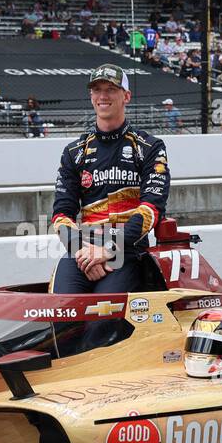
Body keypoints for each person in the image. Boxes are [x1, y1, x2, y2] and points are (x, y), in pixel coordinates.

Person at [51, 63, 169, 294]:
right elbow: (61, 214)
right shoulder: (74, 151)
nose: (103, 96)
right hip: (82, 251)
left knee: (103, 317)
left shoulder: (150, 147)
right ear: (91, 96)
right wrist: (83, 252)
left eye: (111, 89)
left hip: (129, 251)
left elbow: (152, 209)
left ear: (126, 96)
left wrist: (108, 248)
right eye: (97, 90)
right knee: (60, 310)